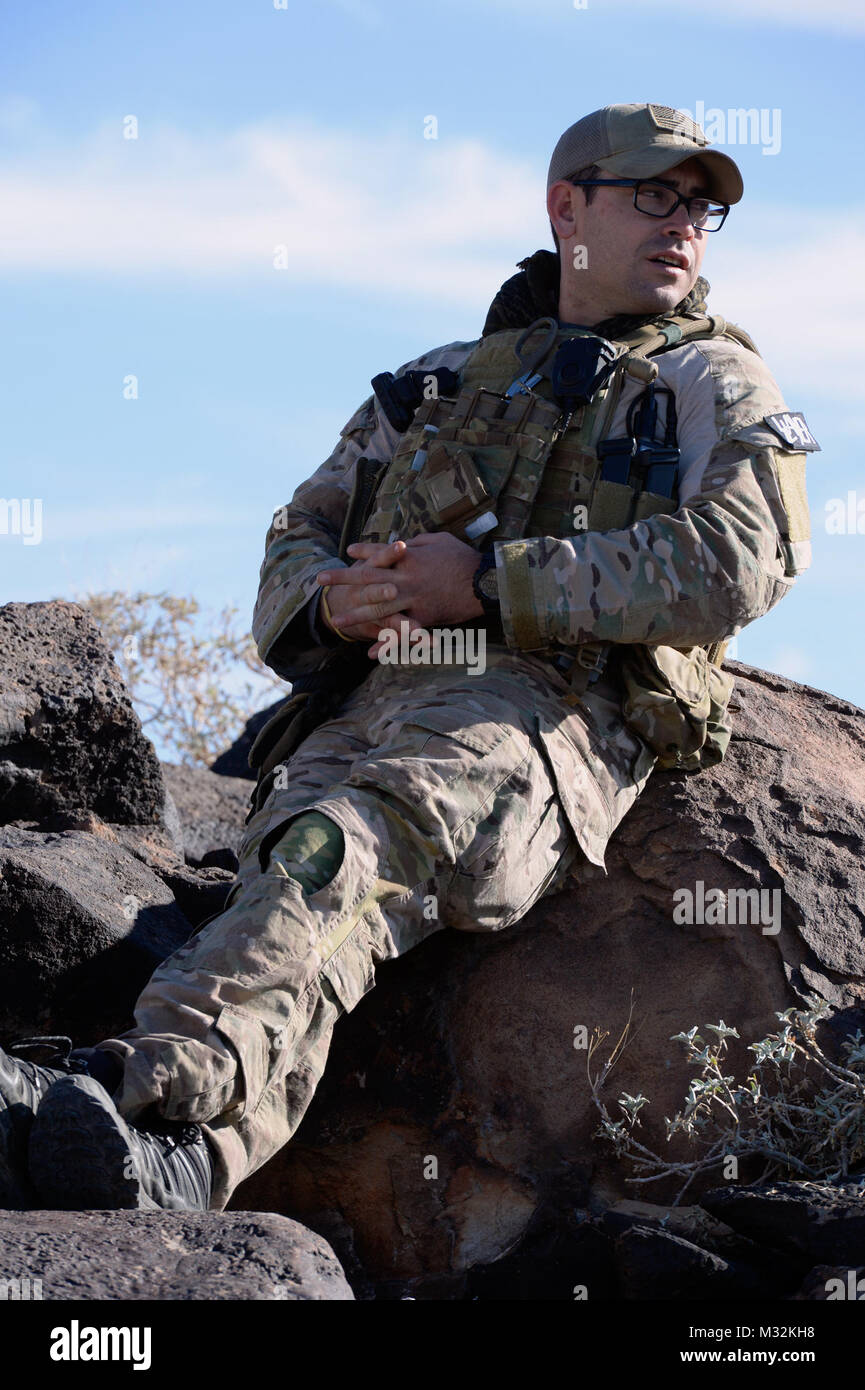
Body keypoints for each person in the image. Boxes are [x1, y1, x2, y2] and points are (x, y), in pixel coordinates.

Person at [0, 103, 816, 1214]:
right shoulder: (431, 383)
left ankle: (137, 1081)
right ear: (565, 204)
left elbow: (744, 560)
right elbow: (293, 540)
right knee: (298, 874)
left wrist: (485, 583)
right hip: (370, 707)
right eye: (653, 195)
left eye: (702, 207)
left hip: (549, 718)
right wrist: (333, 600)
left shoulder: (708, 385)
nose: (684, 226)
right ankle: (178, 1165)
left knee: (338, 853)